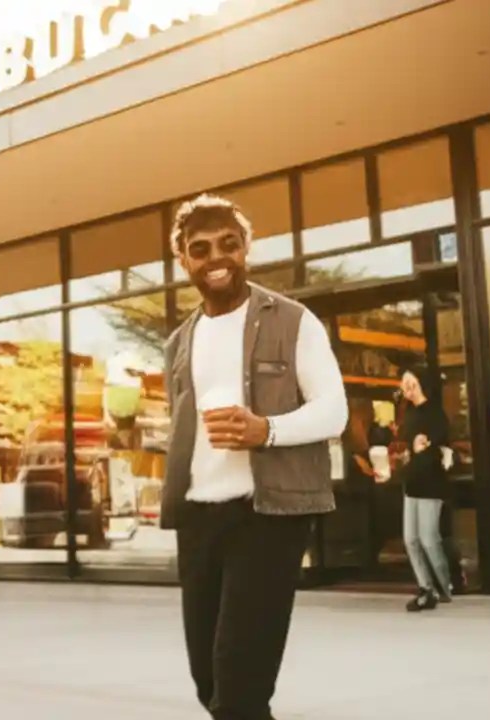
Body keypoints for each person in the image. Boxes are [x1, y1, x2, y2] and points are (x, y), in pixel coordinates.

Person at [160, 194, 348, 719]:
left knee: (240, 684)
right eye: (200, 249)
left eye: (228, 243)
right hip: (199, 516)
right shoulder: (179, 341)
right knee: (210, 683)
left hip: (267, 516)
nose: (216, 257)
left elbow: (334, 412)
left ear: (247, 248)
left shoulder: (293, 320)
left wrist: (265, 431)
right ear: (184, 262)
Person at [396, 365, 454, 612]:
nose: (408, 388)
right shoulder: (407, 414)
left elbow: (440, 445)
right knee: (410, 539)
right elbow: (405, 446)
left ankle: (445, 586)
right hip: (412, 482)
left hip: (432, 484)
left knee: (429, 539)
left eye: (412, 383)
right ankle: (425, 588)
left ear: (421, 384)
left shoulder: (435, 413)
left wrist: (424, 447)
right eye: (404, 383)